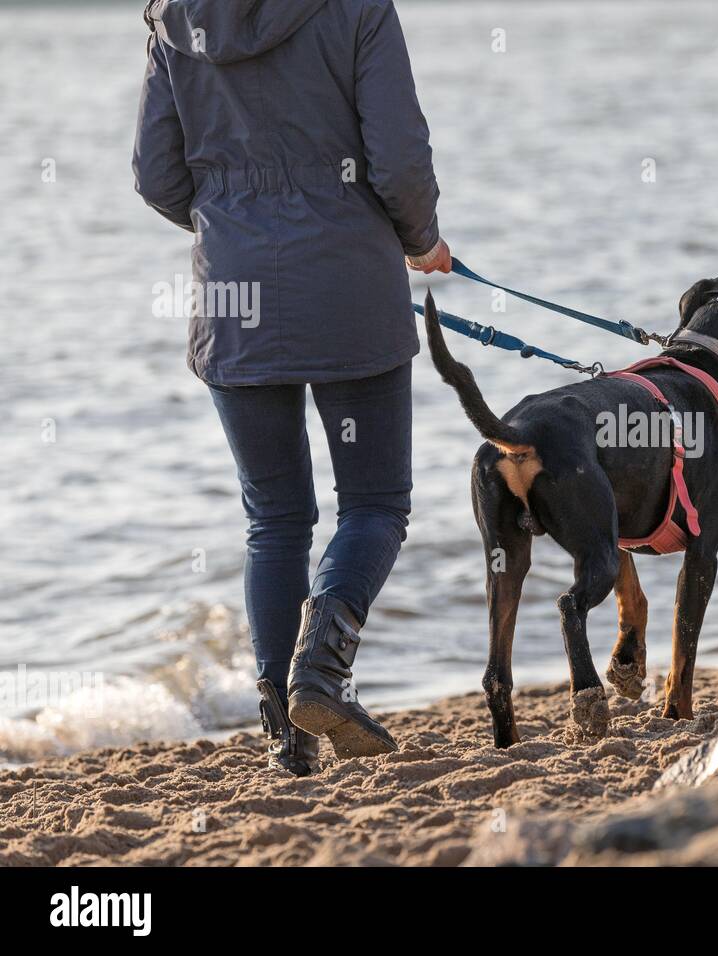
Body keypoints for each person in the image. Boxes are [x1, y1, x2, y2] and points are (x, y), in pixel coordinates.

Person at [133, 0, 450, 776]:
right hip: (349, 285)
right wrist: (424, 240)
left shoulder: (173, 17)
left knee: (274, 520)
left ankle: (285, 732)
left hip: (235, 295)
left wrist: (235, 222)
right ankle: (321, 670)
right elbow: (398, 159)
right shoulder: (358, 9)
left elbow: (155, 174)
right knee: (375, 502)